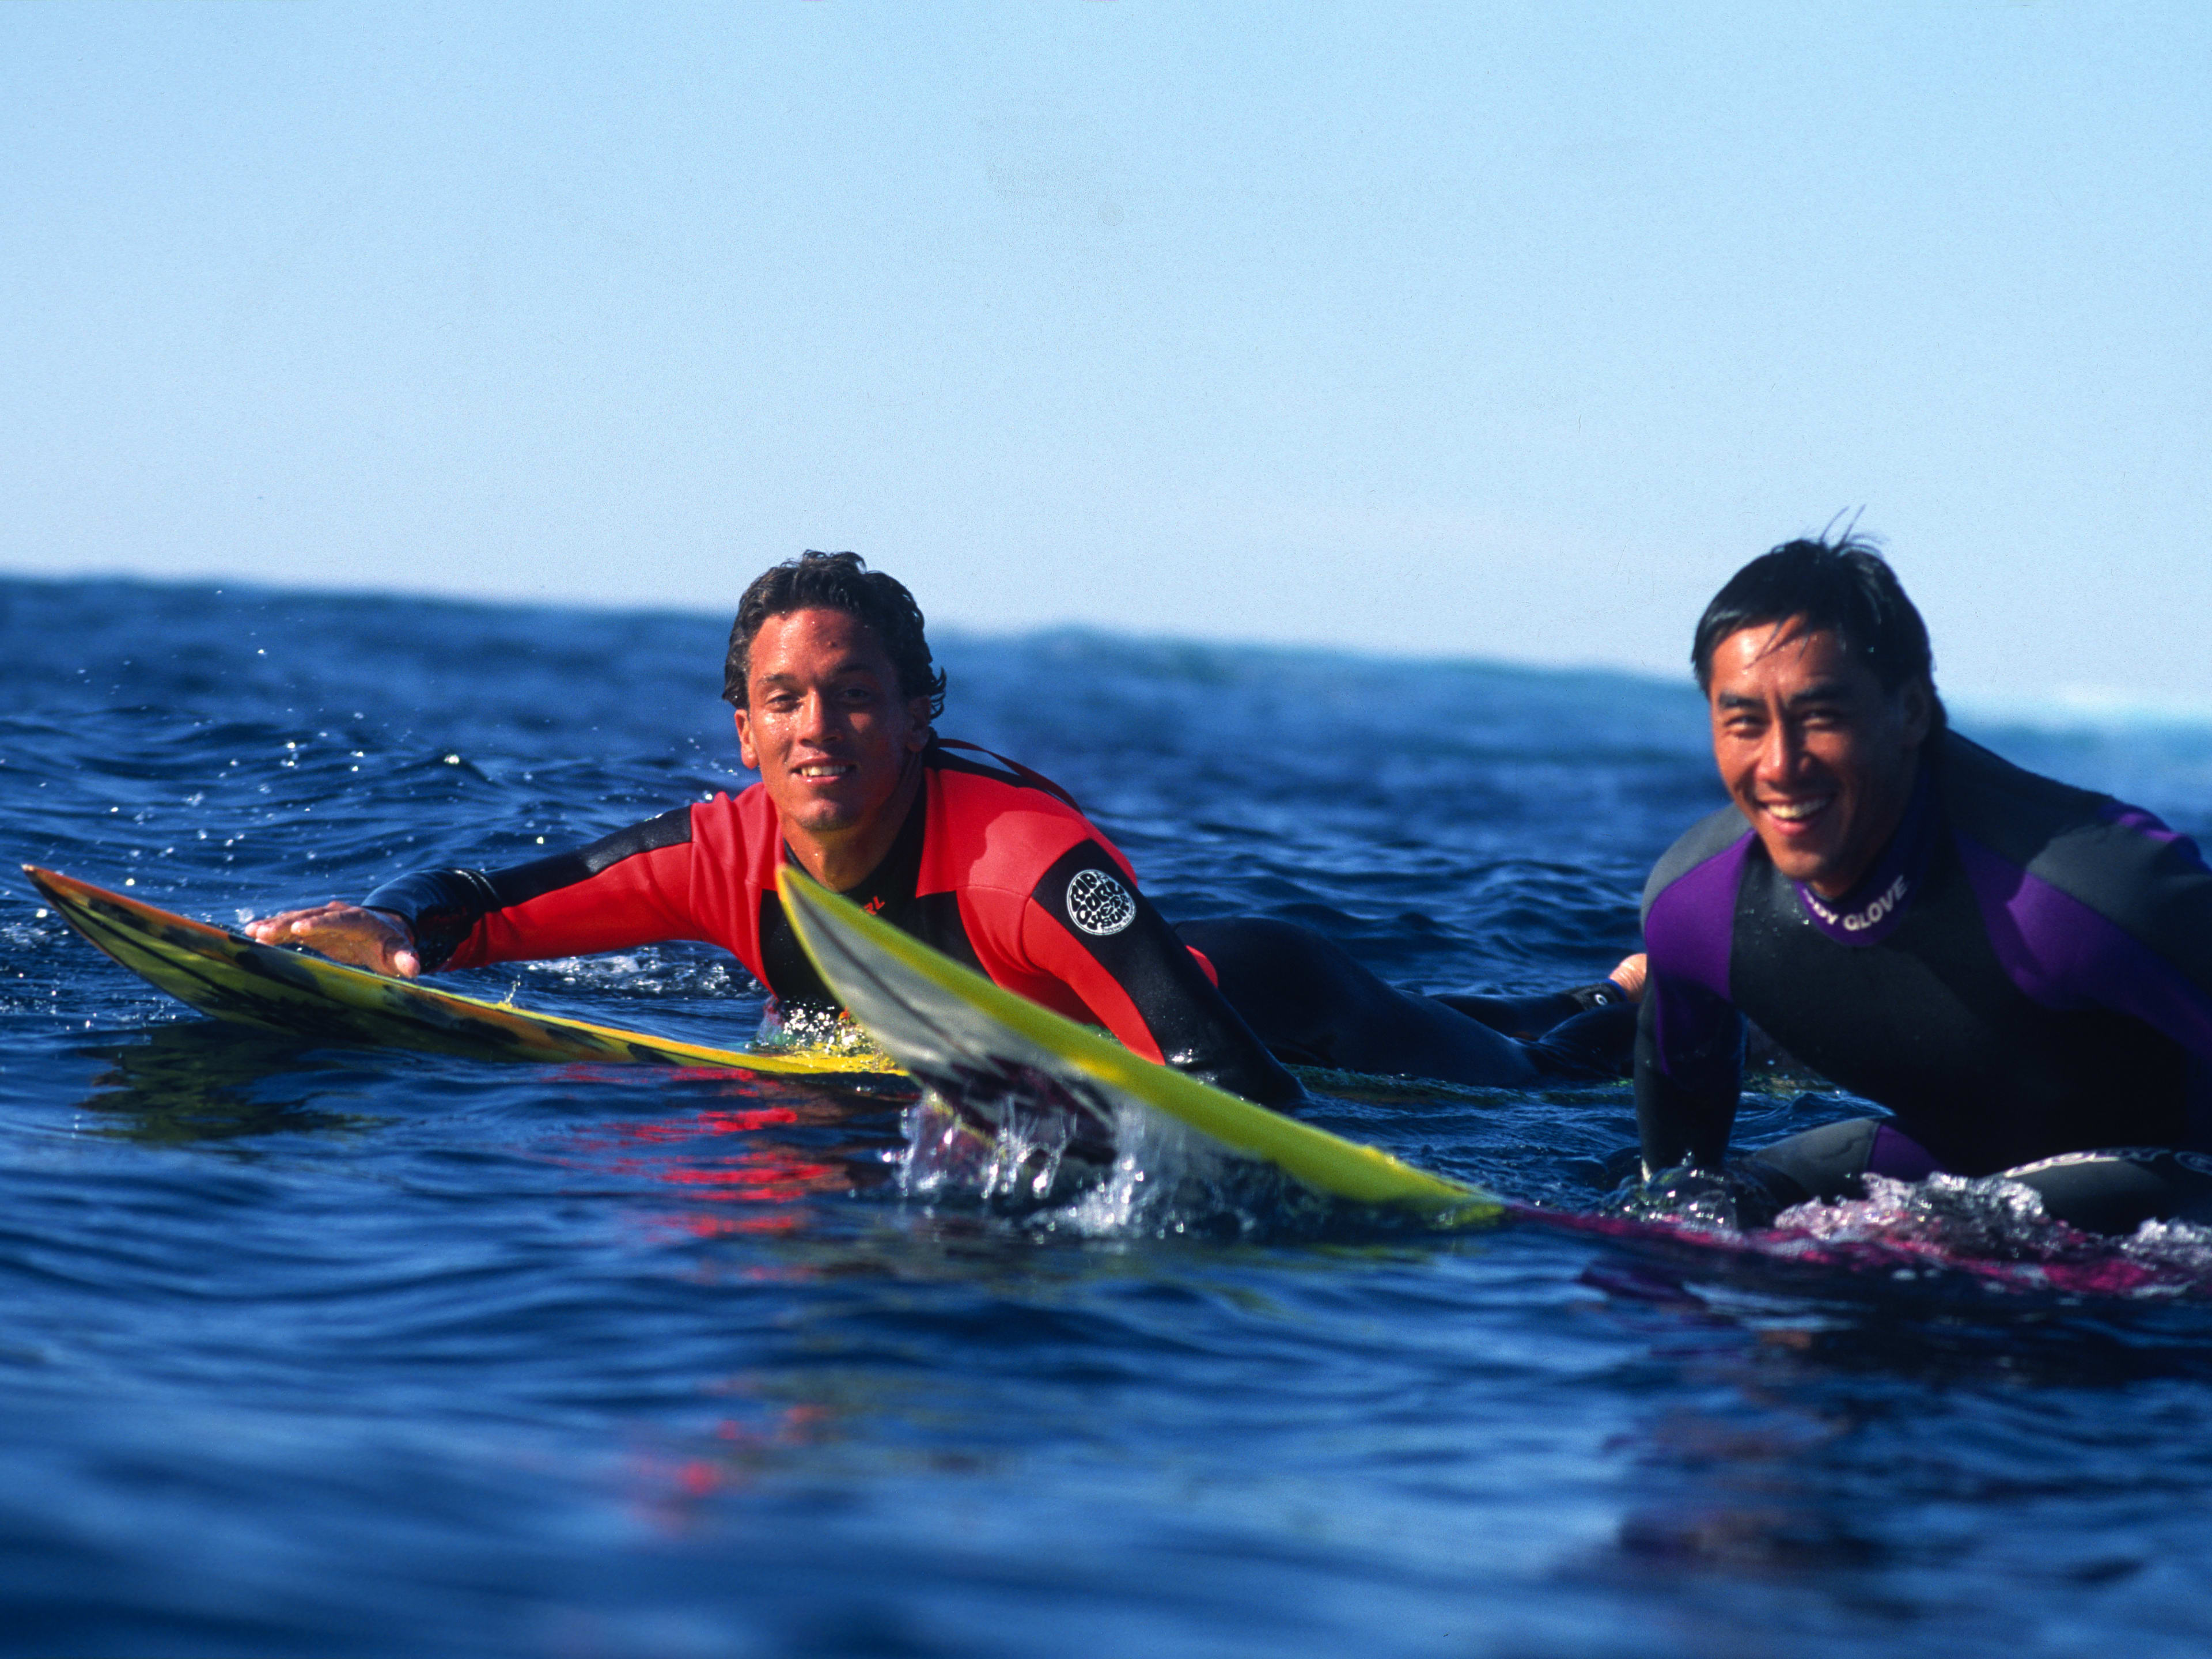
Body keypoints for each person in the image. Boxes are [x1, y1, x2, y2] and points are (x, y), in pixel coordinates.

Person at [250, 550, 1635, 1105]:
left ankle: (1635, 1001)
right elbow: (490, 900)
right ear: (742, 729)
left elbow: (1226, 1070)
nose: (816, 730)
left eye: (855, 699)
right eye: (783, 701)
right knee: (1499, 1011)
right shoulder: (722, 855)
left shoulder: (1022, 860)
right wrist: (394, 925)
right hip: (1121, 993)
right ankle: (1591, 984)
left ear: (918, 715)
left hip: (1264, 999)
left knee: (1537, 1074)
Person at [1637, 535, 2212, 1233]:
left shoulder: (2088, 892)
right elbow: (1676, 1163)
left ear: (1911, 711)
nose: (1780, 764)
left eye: (1822, 717)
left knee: (1925, 1237)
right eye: (1744, 724)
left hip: (2176, 1173)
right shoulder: (1696, 907)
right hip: (1956, 1166)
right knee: (1697, 1216)